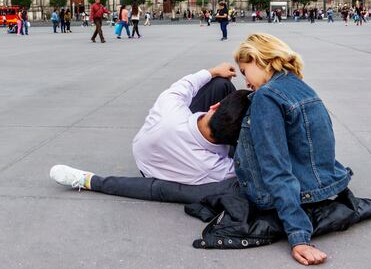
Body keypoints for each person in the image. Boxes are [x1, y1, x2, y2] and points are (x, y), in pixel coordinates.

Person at [50, 62, 249, 201]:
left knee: (220, 83)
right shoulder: (216, 168)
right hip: (170, 172)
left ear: (214, 107)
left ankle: (88, 180)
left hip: (151, 153)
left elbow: (186, 84)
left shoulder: (169, 106)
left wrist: (214, 70)